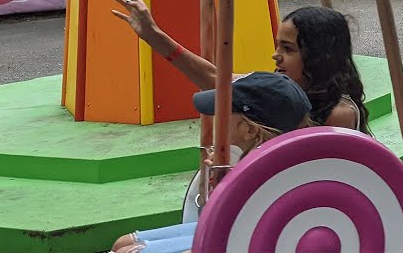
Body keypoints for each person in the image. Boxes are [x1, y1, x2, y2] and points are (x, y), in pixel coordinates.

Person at [109, 72, 312, 253]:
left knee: (130, 250)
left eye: (222, 114)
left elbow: (243, 235)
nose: (214, 118)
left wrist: (223, 185)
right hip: (239, 231)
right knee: (123, 243)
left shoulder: (262, 177)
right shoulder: (274, 162)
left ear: (249, 130)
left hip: (246, 239)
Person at [111, 0, 368, 131]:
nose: (276, 55)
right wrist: (154, 37)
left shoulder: (338, 114)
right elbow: (217, 79)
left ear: (319, 56)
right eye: (277, 45)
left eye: (288, 49)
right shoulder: (281, 89)